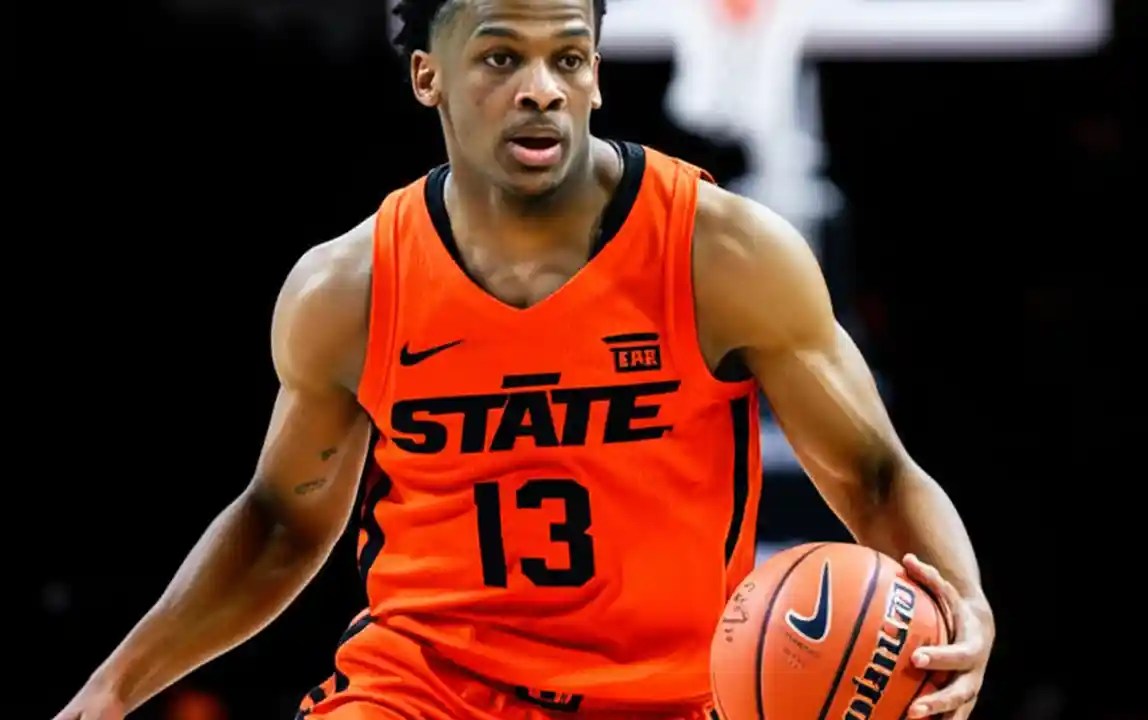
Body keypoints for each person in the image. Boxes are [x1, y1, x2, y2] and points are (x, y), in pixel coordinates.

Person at [55, 1, 995, 718]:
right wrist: (112, 691)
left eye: (568, 58)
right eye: (502, 56)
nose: (540, 86)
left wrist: (969, 608)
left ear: (594, 78)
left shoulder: (721, 252)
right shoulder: (351, 286)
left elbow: (876, 474)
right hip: (420, 688)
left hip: (665, 697)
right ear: (428, 76)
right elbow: (277, 523)